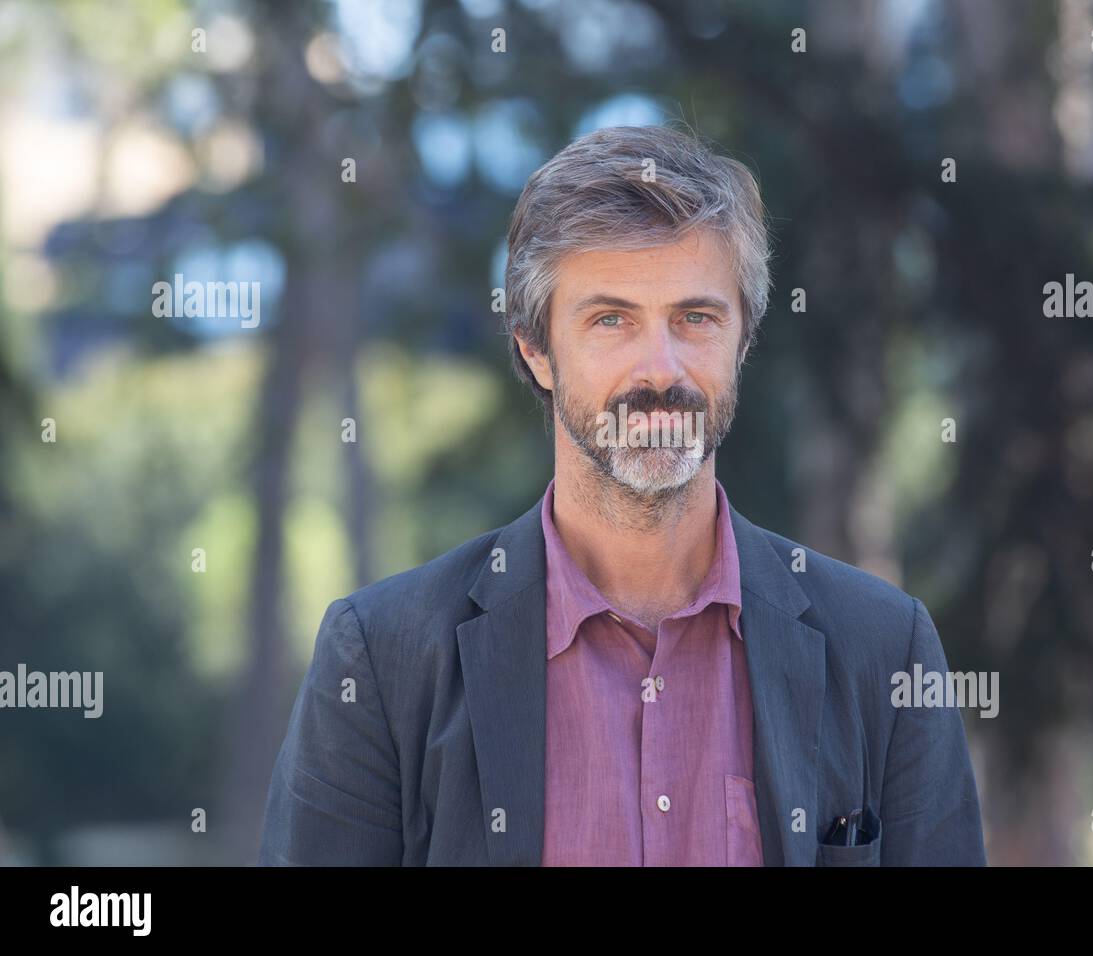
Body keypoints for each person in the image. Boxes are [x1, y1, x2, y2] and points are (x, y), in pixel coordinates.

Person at [258, 123, 986, 866]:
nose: (660, 369)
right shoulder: (383, 660)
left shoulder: (885, 649)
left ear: (742, 342)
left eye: (695, 319)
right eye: (611, 320)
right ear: (536, 351)